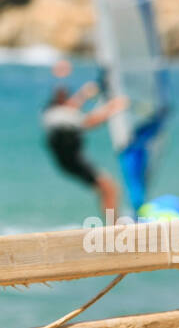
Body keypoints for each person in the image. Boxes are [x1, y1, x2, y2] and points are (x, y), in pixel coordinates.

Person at [42, 67, 129, 216]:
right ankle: (113, 226)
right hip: (72, 161)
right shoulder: (57, 115)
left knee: (105, 189)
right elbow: (89, 122)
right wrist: (114, 107)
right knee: (109, 188)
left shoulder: (53, 112)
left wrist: (85, 93)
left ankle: (112, 223)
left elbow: (72, 106)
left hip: (69, 161)